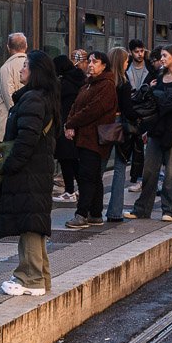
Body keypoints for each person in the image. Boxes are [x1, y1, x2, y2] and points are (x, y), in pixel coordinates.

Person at [0, 51, 59, 297]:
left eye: (26, 66)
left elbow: (25, 140)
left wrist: (8, 165)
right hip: (36, 171)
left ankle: (31, 279)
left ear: (35, 72)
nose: (21, 70)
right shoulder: (43, 97)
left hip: (29, 172)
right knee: (34, 222)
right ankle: (40, 275)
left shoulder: (32, 100)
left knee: (30, 223)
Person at [125, 46, 172, 222]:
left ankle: (170, 210)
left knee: (171, 171)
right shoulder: (160, 77)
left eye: (164, 56)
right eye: (161, 56)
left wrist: (170, 102)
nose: (161, 59)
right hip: (158, 126)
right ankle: (142, 208)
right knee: (149, 169)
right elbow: (150, 102)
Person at [64, 51, 117, 229]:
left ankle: (81, 214)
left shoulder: (107, 85)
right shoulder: (87, 84)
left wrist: (71, 122)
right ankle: (95, 214)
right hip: (85, 137)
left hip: (95, 138)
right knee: (93, 176)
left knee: (87, 176)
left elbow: (93, 110)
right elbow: (76, 105)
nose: (91, 64)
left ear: (104, 66)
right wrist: (70, 123)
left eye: (96, 62)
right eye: (90, 61)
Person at [106, 47, 141, 224]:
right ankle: (114, 212)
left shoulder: (104, 81)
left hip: (104, 125)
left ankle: (92, 211)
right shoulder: (123, 83)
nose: (128, 64)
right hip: (119, 125)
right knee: (120, 167)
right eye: (126, 61)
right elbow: (128, 109)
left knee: (99, 167)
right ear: (121, 63)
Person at [52, 54, 84, 203]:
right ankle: (81, 190)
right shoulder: (79, 79)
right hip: (77, 125)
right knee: (74, 160)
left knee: (66, 160)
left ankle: (70, 190)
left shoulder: (63, 84)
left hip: (65, 125)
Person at [125, 40, 156, 191]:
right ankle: (137, 178)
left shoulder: (151, 68)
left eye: (142, 51)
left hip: (146, 113)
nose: (140, 54)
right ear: (131, 52)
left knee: (142, 149)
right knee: (132, 148)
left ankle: (141, 179)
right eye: (136, 51)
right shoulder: (125, 68)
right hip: (130, 113)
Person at [0, 32, 28, 143]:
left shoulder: (6, 68)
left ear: (8, 47)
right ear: (26, 46)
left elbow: (9, 99)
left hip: (7, 126)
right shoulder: (33, 65)